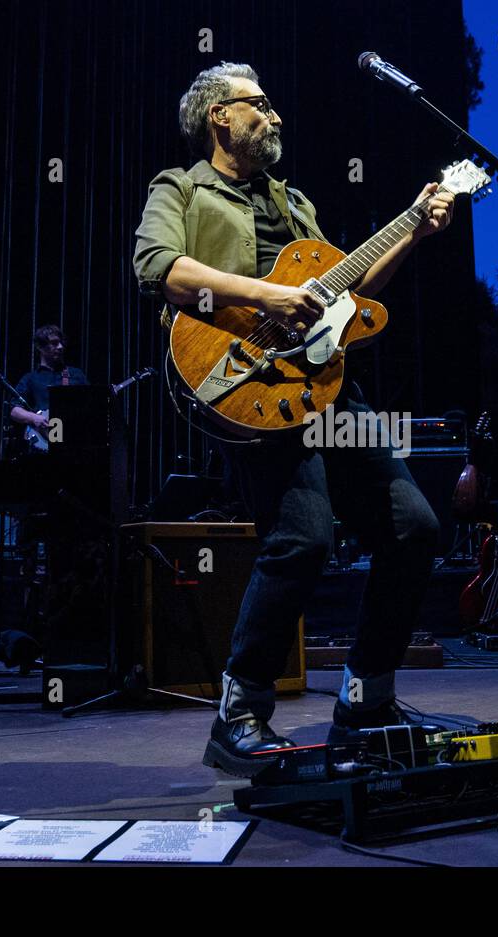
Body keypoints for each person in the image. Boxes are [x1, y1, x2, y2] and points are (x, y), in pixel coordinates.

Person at [133, 62, 455, 777]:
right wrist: (266, 297)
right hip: (246, 380)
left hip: (329, 386)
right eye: (261, 106)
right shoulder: (183, 187)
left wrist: (412, 229)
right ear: (220, 116)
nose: (275, 118)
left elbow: (348, 296)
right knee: (303, 539)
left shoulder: (297, 203)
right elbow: (160, 268)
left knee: (415, 527)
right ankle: (238, 714)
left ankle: (366, 701)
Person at [10, 325, 89, 452]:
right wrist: (34, 418)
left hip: (74, 442)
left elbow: (90, 405)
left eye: (61, 343)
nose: (60, 347)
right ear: (39, 347)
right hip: (42, 443)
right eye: (54, 343)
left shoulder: (76, 375)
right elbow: (14, 411)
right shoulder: (30, 378)